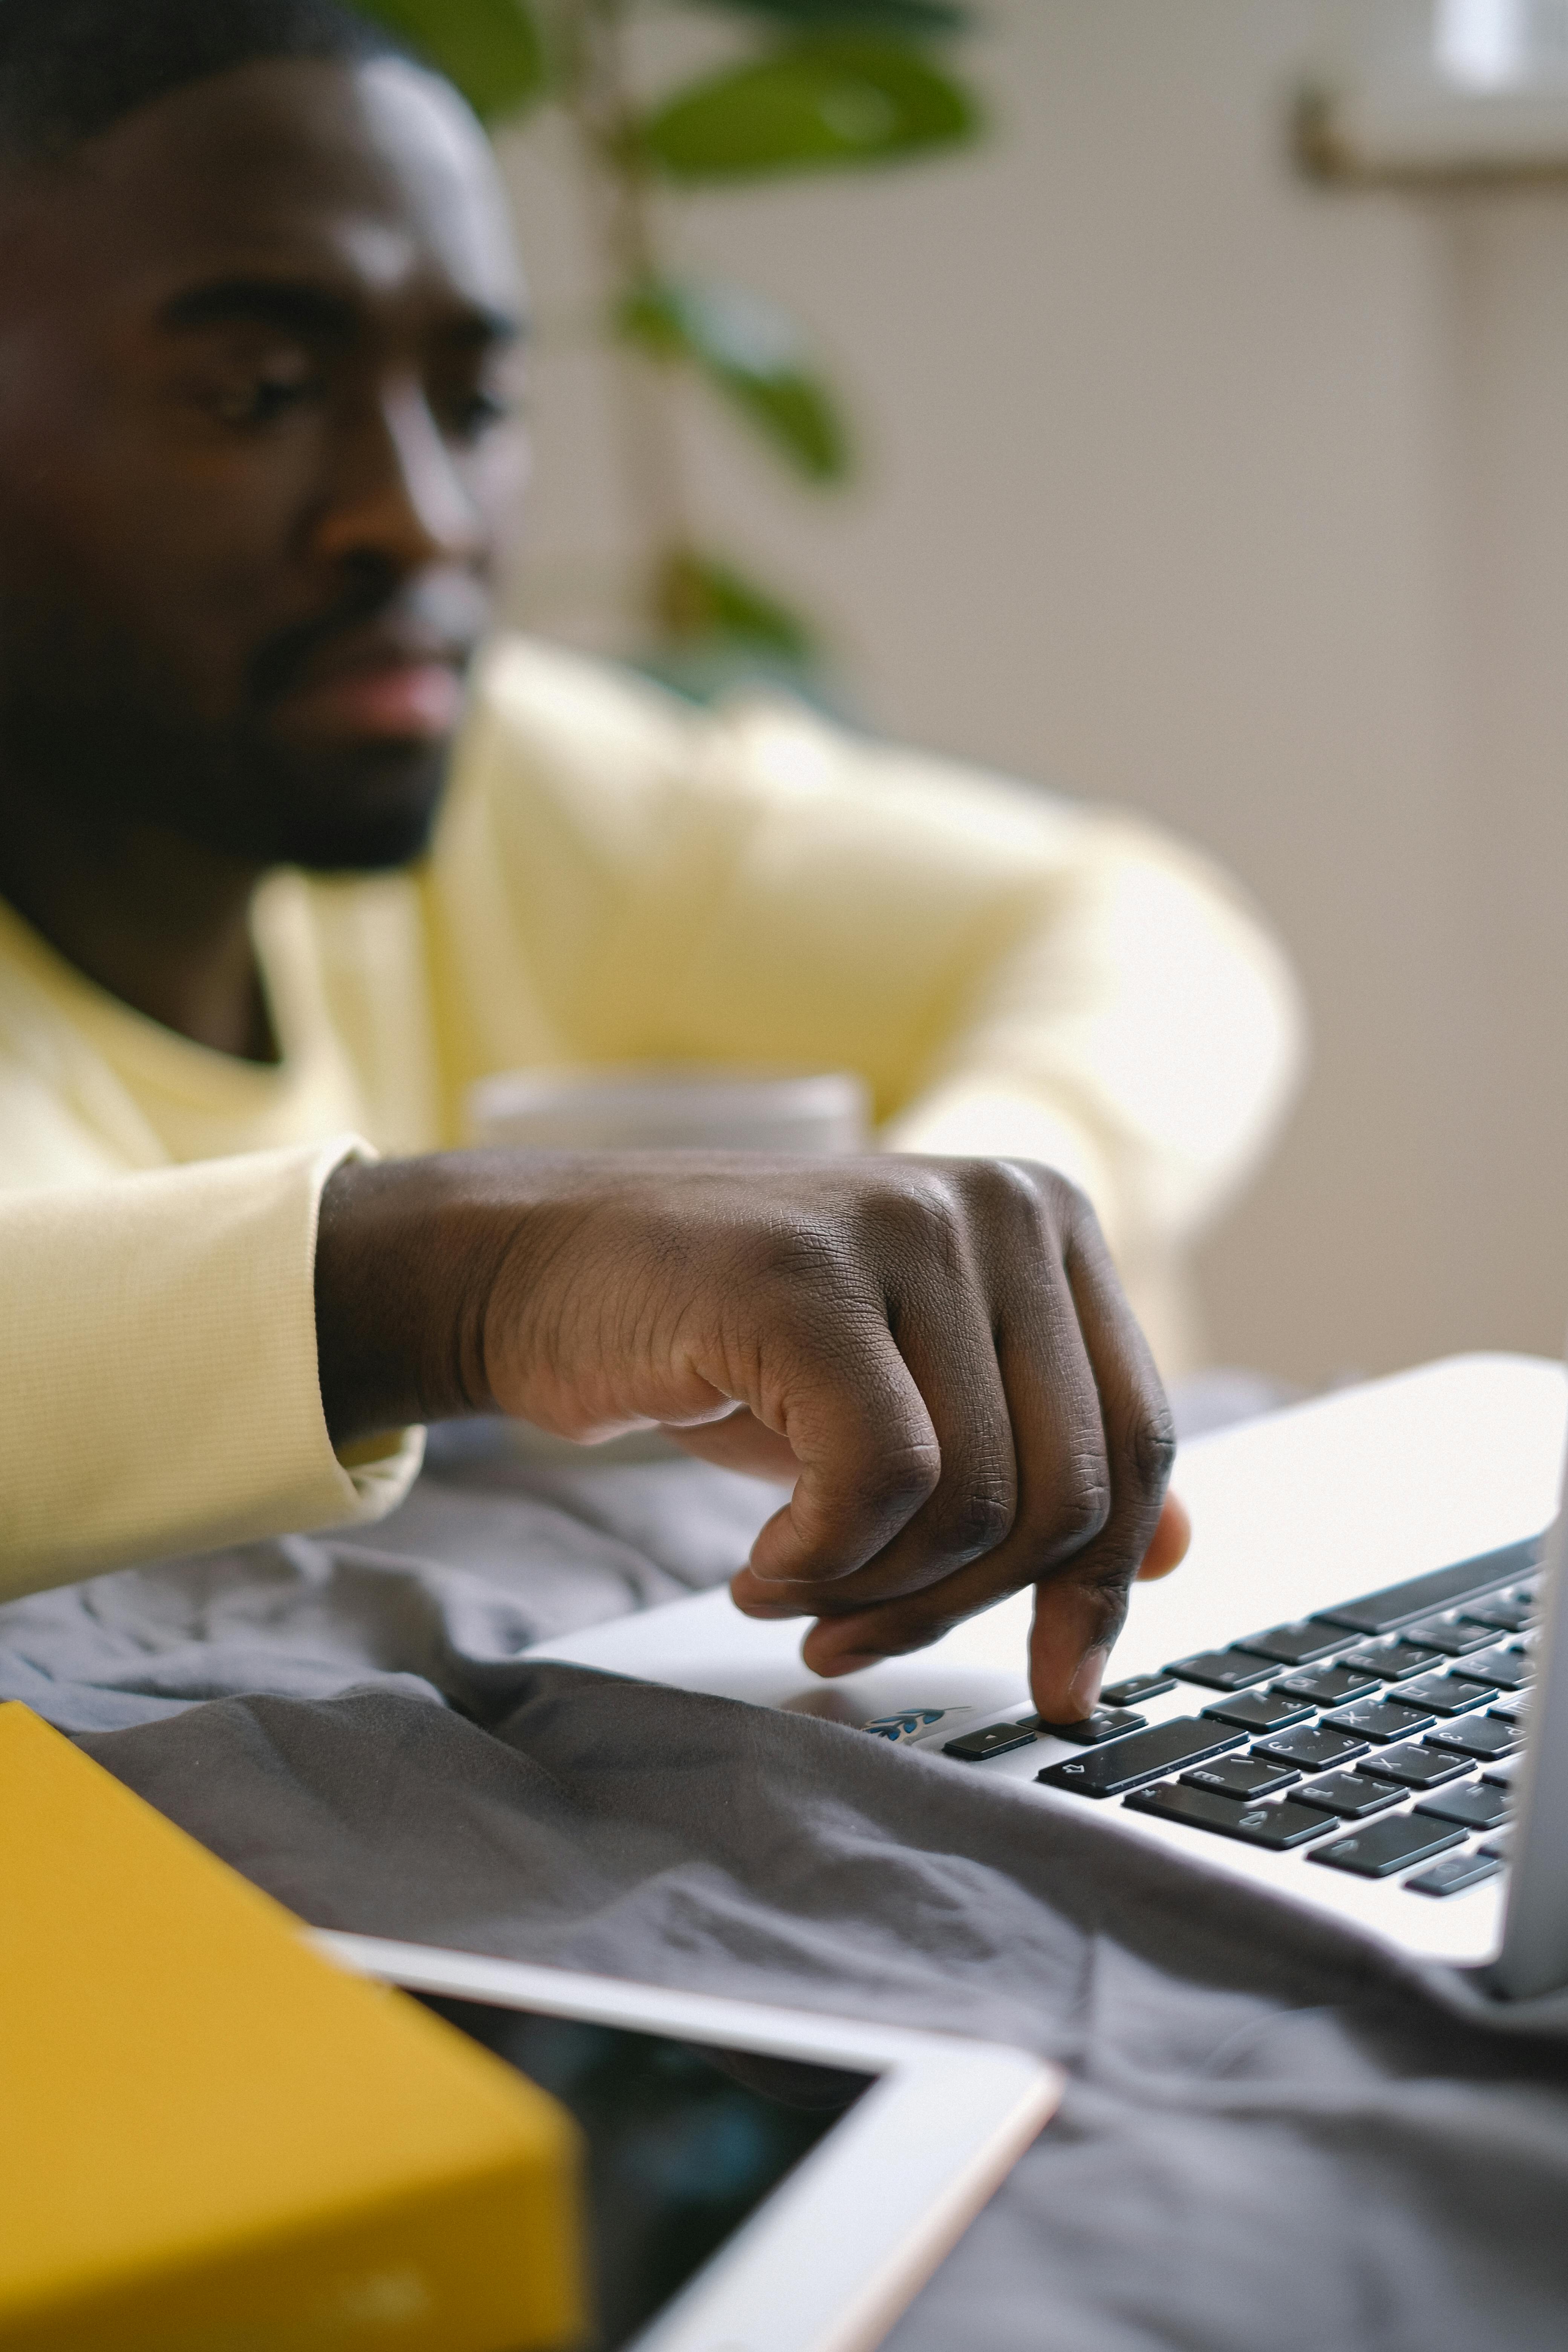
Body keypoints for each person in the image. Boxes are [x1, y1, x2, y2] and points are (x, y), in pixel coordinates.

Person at [0, 0, 1297, 1720]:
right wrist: (467, 1273)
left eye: (472, 398)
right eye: (259, 392)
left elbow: (1132, 928)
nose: (424, 517)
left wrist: (954, 1240)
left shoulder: (463, 761)